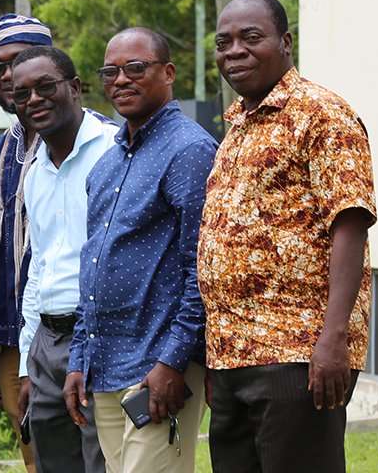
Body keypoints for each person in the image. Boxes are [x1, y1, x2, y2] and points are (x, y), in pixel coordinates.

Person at [198, 0, 376, 473]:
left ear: (286, 42)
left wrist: (332, 338)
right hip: (232, 353)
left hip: (297, 348)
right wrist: (216, 358)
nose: (234, 50)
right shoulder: (237, 124)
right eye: (223, 41)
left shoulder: (322, 113)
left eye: (251, 37)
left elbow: (350, 223)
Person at [62, 27, 217, 473]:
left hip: (157, 367)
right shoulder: (108, 163)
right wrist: (79, 360)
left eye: (136, 68)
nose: (121, 80)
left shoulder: (190, 150)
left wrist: (173, 362)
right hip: (105, 365)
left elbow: (200, 270)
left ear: (168, 73)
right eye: (111, 71)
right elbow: (91, 266)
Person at [9, 45, 110, 473]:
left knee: (101, 461)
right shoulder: (35, 172)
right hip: (46, 344)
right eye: (21, 93)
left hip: (101, 336)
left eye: (45, 87)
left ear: (74, 88)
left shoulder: (112, 152)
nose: (34, 99)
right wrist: (27, 361)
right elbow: (39, 269)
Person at [0, 13, 53, 473]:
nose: (7, 75)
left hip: (68, 335)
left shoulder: (93, 138)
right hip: (11, 341)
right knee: (35, 457)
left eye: (18, 60)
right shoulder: (0, 149)